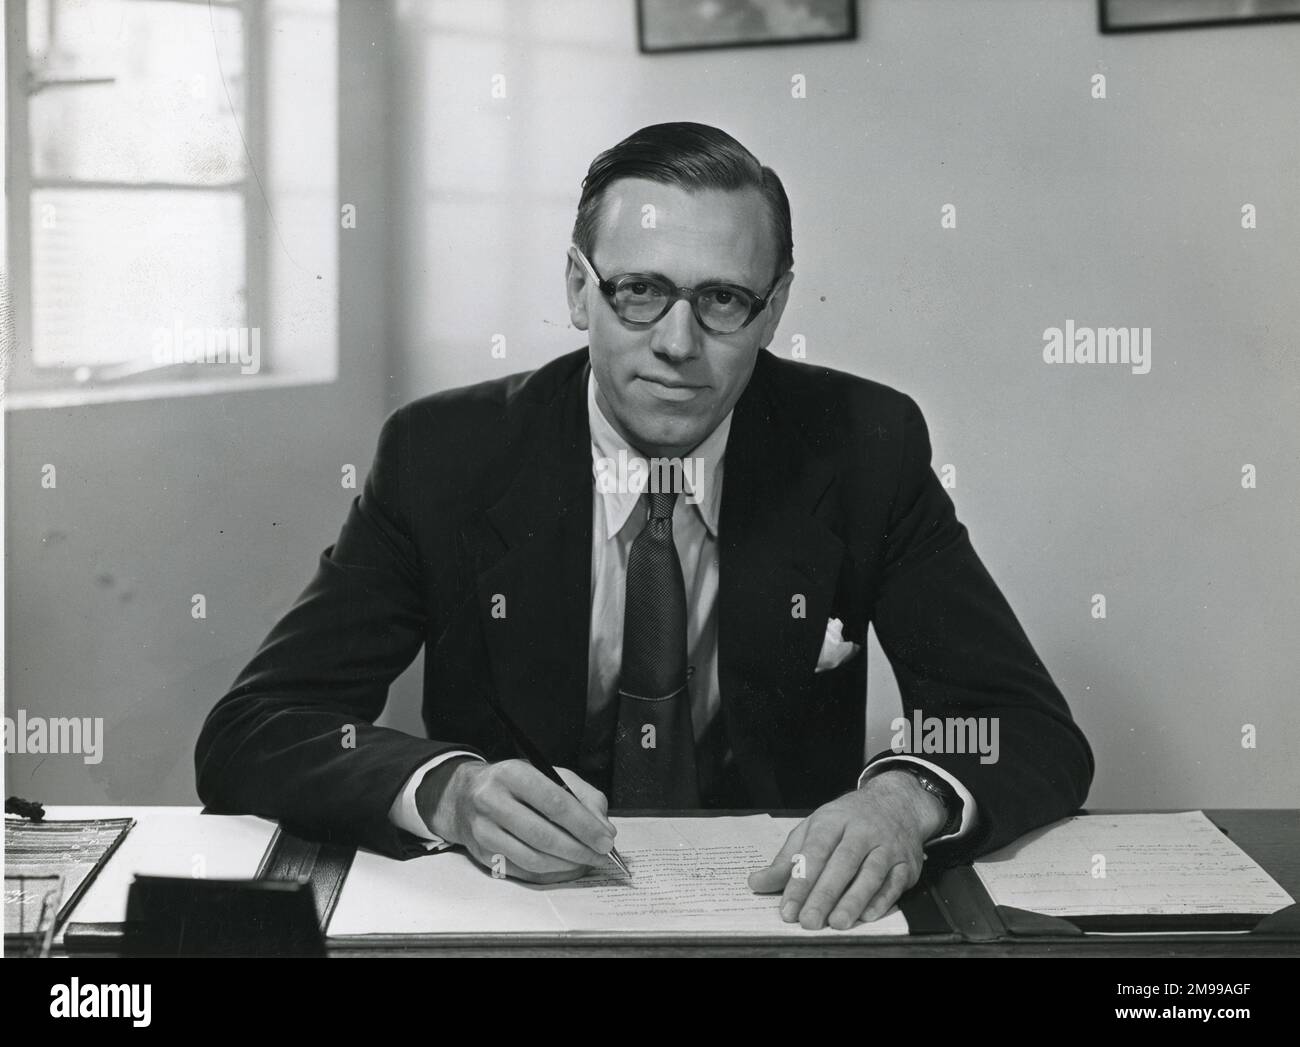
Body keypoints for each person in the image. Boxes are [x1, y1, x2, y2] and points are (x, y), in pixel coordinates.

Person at [196, 122, 1093, 931]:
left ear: (774, 309)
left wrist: (909, 797)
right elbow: (259, 725)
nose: (677, 342)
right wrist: (449, 790)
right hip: (514, 921)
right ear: (579, 289)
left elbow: (1024, 725)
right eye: (640, 292)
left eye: (724, 301)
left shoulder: (864, 446)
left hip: (784, 924)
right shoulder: (446, 454)